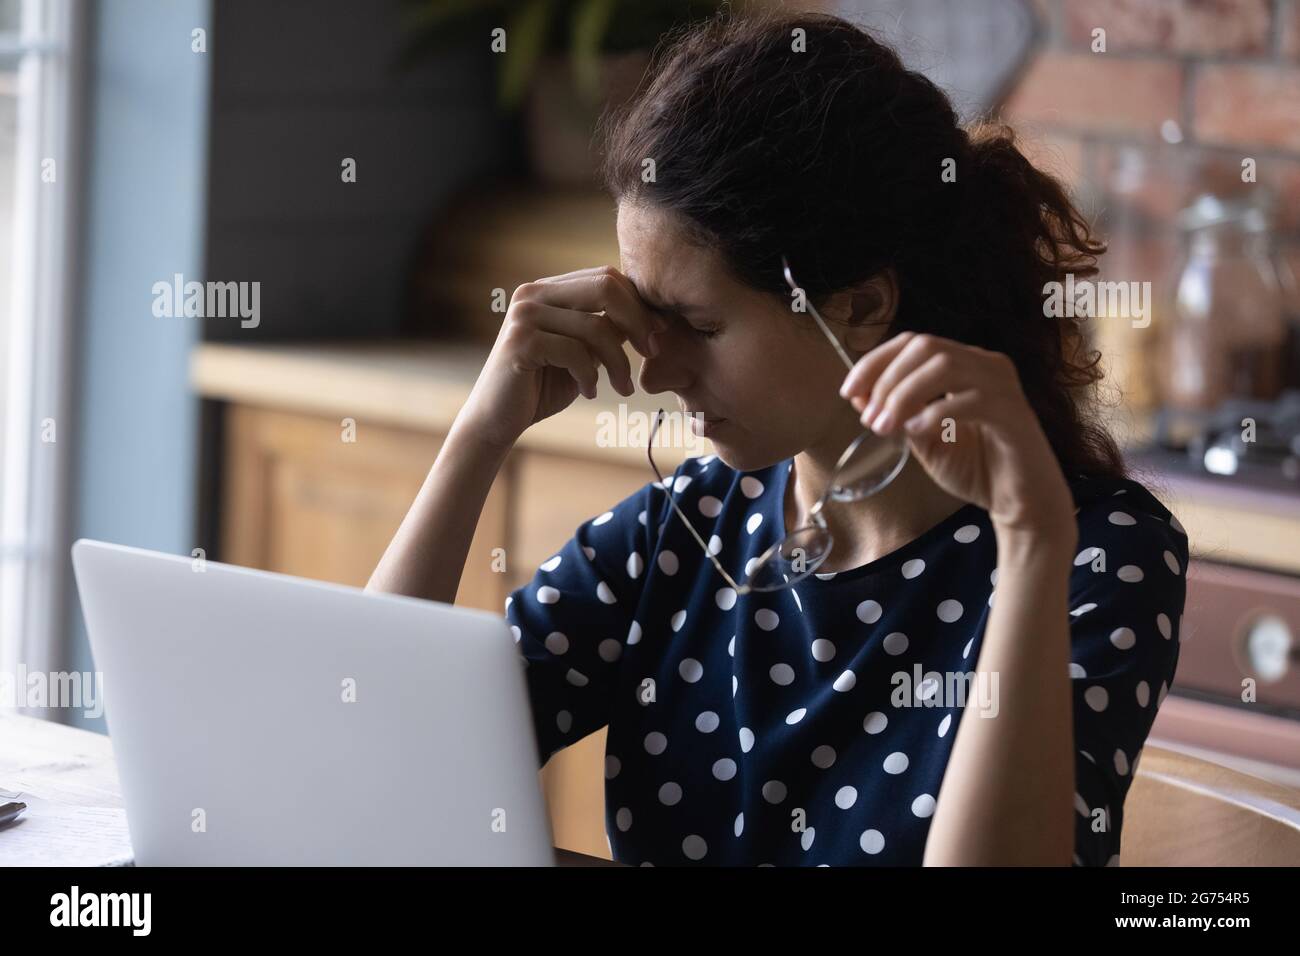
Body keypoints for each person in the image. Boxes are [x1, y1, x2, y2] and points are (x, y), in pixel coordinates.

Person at [367, 8, 1187, 866]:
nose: (654, 370)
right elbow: (375, 759)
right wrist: (479, 437)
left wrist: (1029, 544)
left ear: (861, 305)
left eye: (695, 323)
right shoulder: (678, 533)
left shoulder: (1090, 552)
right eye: (648, 317)